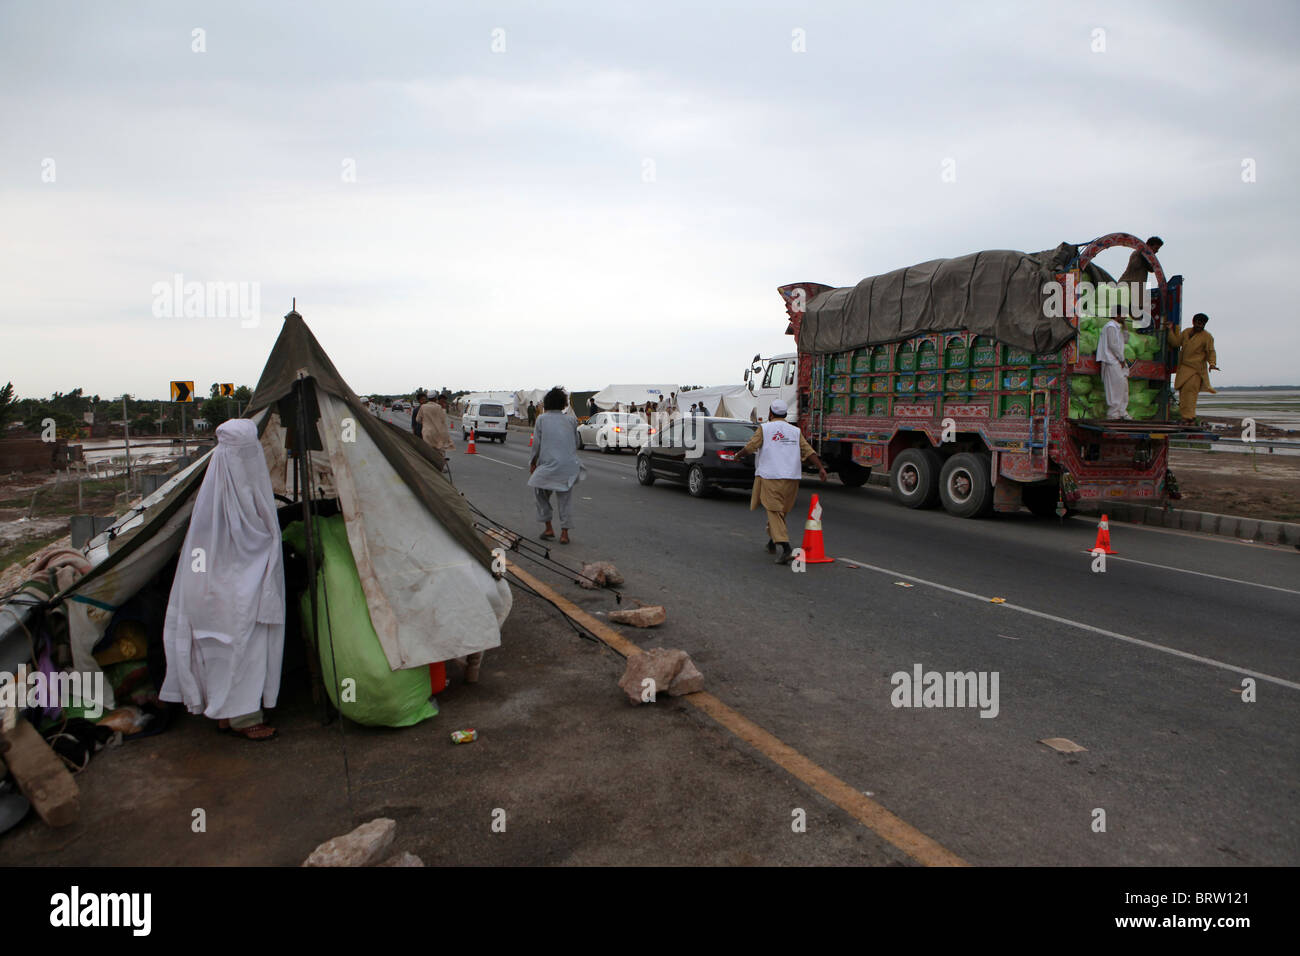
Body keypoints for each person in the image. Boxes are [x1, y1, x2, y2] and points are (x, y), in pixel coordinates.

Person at [160, 418, 285, 740]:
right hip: (237, 587)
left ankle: (224, 712)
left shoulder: (213, 488)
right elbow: (254, 540)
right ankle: (244, 718)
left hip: (208, 585)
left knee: (220, 649)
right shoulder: (236, 488)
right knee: (246, 648)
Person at [736, 399, 828, 564]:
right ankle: (772, 542)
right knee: (781, 512)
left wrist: (738, 455)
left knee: (773, 511)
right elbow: (808, 450)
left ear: (771, 413)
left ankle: (786, 548)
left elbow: (751, 446)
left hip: (771, 476)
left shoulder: (765, 428)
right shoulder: (795, 431)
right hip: (792, 478)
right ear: (785, 414)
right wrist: (820, 468)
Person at [529, 386, 583, 545]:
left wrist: (532, 463)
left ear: (547, 403)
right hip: (568, 467)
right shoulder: (571, 420)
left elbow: (536, 445)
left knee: (539, 492)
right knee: (565, 500)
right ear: (563, 403)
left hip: (547, 466)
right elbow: (577, 442)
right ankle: (565, 534)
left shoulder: (541, 419)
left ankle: (548, 528)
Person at [1166, 312, 1219, 424]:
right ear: (1193, 322)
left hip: (1196, 371)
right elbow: (1175, 343)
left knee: (1190, 394)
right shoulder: (1186, 332)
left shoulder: (1207, 336)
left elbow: (1211, 351)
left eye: (1203, 324)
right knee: (1183, 394)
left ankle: (1189, 417)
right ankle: (1186, 417)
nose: (1200, 326)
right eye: (1198, 323)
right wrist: (1169, 330)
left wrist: (1212, 364)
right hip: (1184, 369)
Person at [1096, 310, 1130, 419]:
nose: (1124, 317)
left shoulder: (1118, 328)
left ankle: (1122, 411)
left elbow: (1125, 341)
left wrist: (1125, 328)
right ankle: (1113, 413)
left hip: (1118, 361)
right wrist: (1121, 358)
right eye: (1123, 315)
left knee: (1123, 387)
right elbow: (1113, 345)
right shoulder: (1110, 326)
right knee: (1115, 388)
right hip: (1111, 360)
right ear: (1117, 315)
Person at [417, 391, 454, 470]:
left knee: (428, 449)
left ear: (428, 398)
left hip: (426, 432)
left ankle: (430, 466)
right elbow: (443, 421)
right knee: (439, 449)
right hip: (437, 432)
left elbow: (418, 420)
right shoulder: (439, 407)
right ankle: (440, 466)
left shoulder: (423, 407)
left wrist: (425, 422)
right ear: (436, 398)